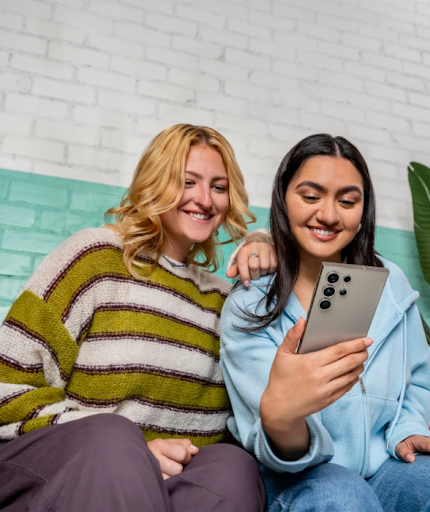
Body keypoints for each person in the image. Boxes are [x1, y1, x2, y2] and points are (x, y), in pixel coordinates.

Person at [220, 133, 430, 511]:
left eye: (347, 201)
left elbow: (418, 381)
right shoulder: (251, 303)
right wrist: (283, 415)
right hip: (297, 474)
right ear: (283, 200)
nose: (328, 214)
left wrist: (407, 429)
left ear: (363, 210)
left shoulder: (389, 283)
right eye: (310, 197)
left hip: (387, 467)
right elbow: (273, 443)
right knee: (343, 498)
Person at [0, 124, 274, 512]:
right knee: (113, 437)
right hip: (58, 465)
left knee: (232, 467)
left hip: (159, 486)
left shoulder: (223, 299)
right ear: (156, 182)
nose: (204, 199)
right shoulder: (95, 257)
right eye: (187, 181)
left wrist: (266, 244)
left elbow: (263, 391)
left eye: (218, 186)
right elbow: (5, 387)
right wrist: (137, 453)